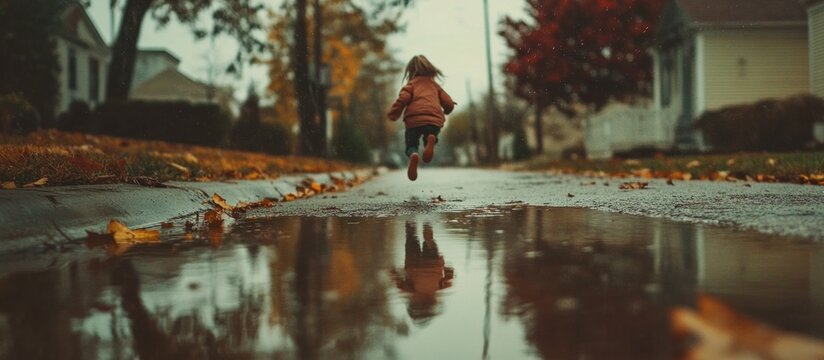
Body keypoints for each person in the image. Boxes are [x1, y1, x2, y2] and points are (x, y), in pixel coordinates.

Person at [387, 55, 456, 181]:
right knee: (431, 133)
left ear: (411, 71)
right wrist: (447, 110)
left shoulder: (411, 85)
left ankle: (413, 154)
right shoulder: (435, 86)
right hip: (434, 120)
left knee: (411, 144)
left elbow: (403, 99)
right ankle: (430, 139)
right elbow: (448, 103)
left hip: (414, 120)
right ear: (430, 69)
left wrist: (394, 114)